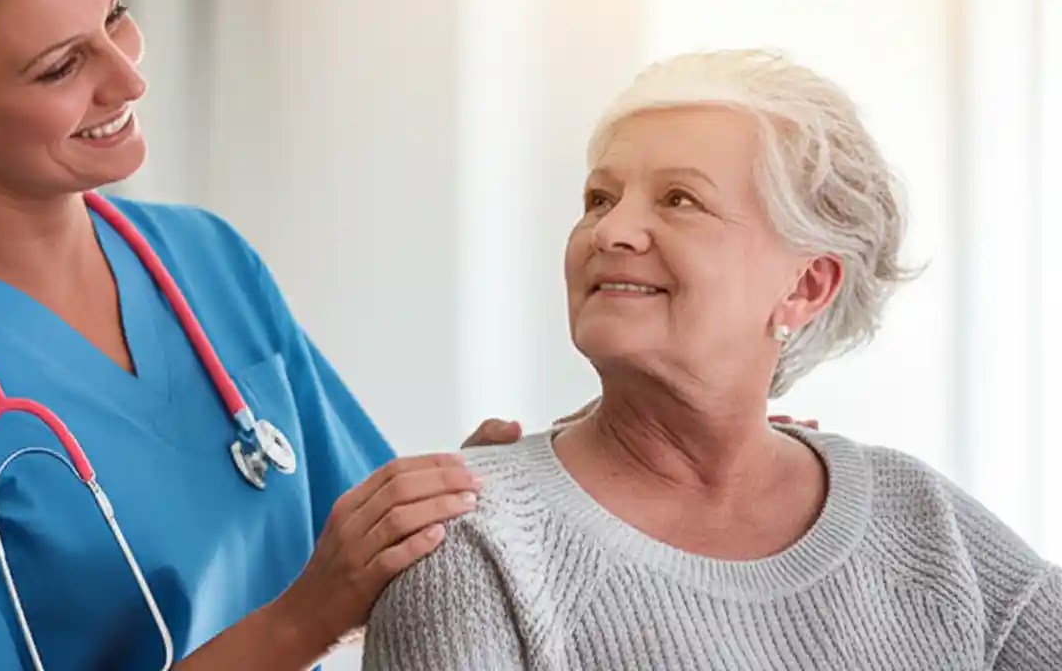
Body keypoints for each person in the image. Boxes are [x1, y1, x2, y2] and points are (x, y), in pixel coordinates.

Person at [0, 0, 534, 669]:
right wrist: (303, 619)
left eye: (116, 16)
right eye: (61, 66)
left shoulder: (206, 261)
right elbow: (325, 595)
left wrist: (458, 509)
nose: (128, 79)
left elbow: (362, 557)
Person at [363, 49, 1062, 670]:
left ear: (806, 286)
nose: (612, 229)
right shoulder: (469, 540)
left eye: (679, 199)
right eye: (599, 198)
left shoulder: (922, 520)